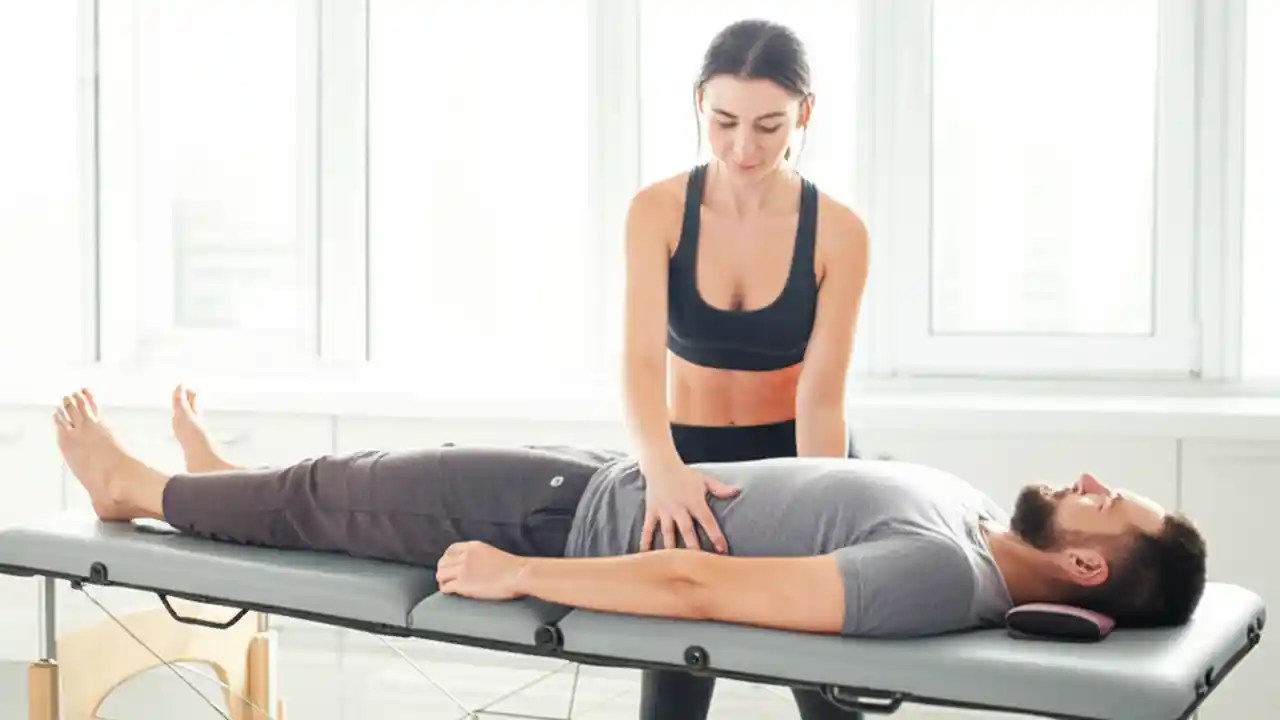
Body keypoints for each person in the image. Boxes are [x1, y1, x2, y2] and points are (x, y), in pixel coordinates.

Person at [52, 387, 1207, 649]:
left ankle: (140, 491)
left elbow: (701, 589)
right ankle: (217, 480)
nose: (1092, 479)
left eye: (1107, 506)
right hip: (592, 483)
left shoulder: (937, 581)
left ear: (1086, 568)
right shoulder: (970, 529)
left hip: (558, 527)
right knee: (346, 484)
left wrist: (521, 575)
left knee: (330, 498)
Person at [622, 18, 870, 718]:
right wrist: (663, 471)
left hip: (799, 463)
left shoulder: (840, 232)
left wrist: (821, 517)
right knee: (671, 700)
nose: (743, 146)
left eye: (770, 125)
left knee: (832, 700)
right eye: (724, 121)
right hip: (687, 464)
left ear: (806, 114)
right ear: (700, 101)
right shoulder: (658, 211)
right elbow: (640, 362)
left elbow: (822, 397)